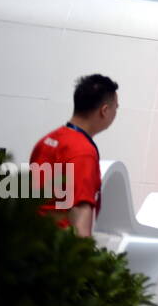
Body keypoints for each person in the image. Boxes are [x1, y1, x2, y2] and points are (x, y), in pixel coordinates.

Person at [28, 74, 119, 237]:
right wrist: (84, 258)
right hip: (59, 250)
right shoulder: (83, 152)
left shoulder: (47, 141)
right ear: (104, 111)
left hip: (34, 241)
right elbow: (79, 211)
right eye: (115, 108)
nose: (115, 114)